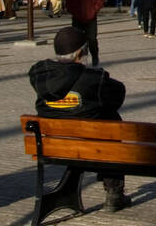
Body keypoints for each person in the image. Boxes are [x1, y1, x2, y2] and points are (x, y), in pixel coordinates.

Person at [29, 26, 131, 212]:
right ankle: (114, 190)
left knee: (103, 121)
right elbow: (117, 96)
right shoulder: (92, 79)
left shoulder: (41, 75)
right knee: (110, 121)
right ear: (81, 53)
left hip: (55, 147)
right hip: (94, 148)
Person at [63, 0, 105, 66]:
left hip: (90, 17)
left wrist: (94, 10)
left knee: (92, 39)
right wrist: (73, 11)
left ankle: (95, 56)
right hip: (77, 18)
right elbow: (68, 1)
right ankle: (79, 59)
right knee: (77, 40)